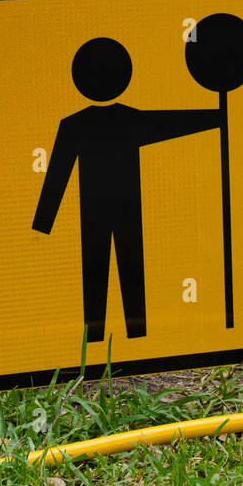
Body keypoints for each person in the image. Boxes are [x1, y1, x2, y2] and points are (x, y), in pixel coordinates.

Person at [33, 37, 221, 343]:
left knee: (115, 273)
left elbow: (172, 122)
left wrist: (217, 118)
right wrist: (217, 118)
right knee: (116, 272)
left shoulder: (79, 123)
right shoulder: (114, 121)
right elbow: (58, 174)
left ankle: (127, 337)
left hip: (106, 212)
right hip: (115, 211)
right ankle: (123, 335)